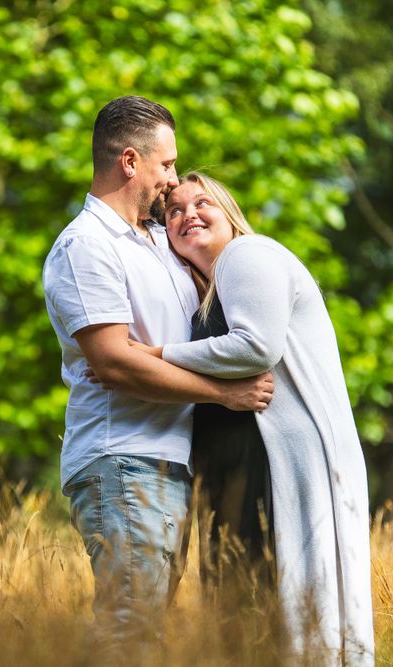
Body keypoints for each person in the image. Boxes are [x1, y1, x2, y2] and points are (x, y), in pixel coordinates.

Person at [41, 97, 275, 648]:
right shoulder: (86, 246)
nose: (172, 179)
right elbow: (113, 361)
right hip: (124, 458)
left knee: (144, 628)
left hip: (169, 462)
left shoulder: (156, 242)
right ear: (130, 162)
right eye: (167, 165)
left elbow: (157, 346)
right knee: (130, 628)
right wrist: (225, 394)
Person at [133, 171, 375, 664]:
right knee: (245, 610)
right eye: (173, 211)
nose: (187, 215)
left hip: (281, 461)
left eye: (203, 204)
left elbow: (254, 347)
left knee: (282, 607)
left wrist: (150, 356)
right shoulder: (211, 287)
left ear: (230, 214)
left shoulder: (247, 254)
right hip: (244, 467)